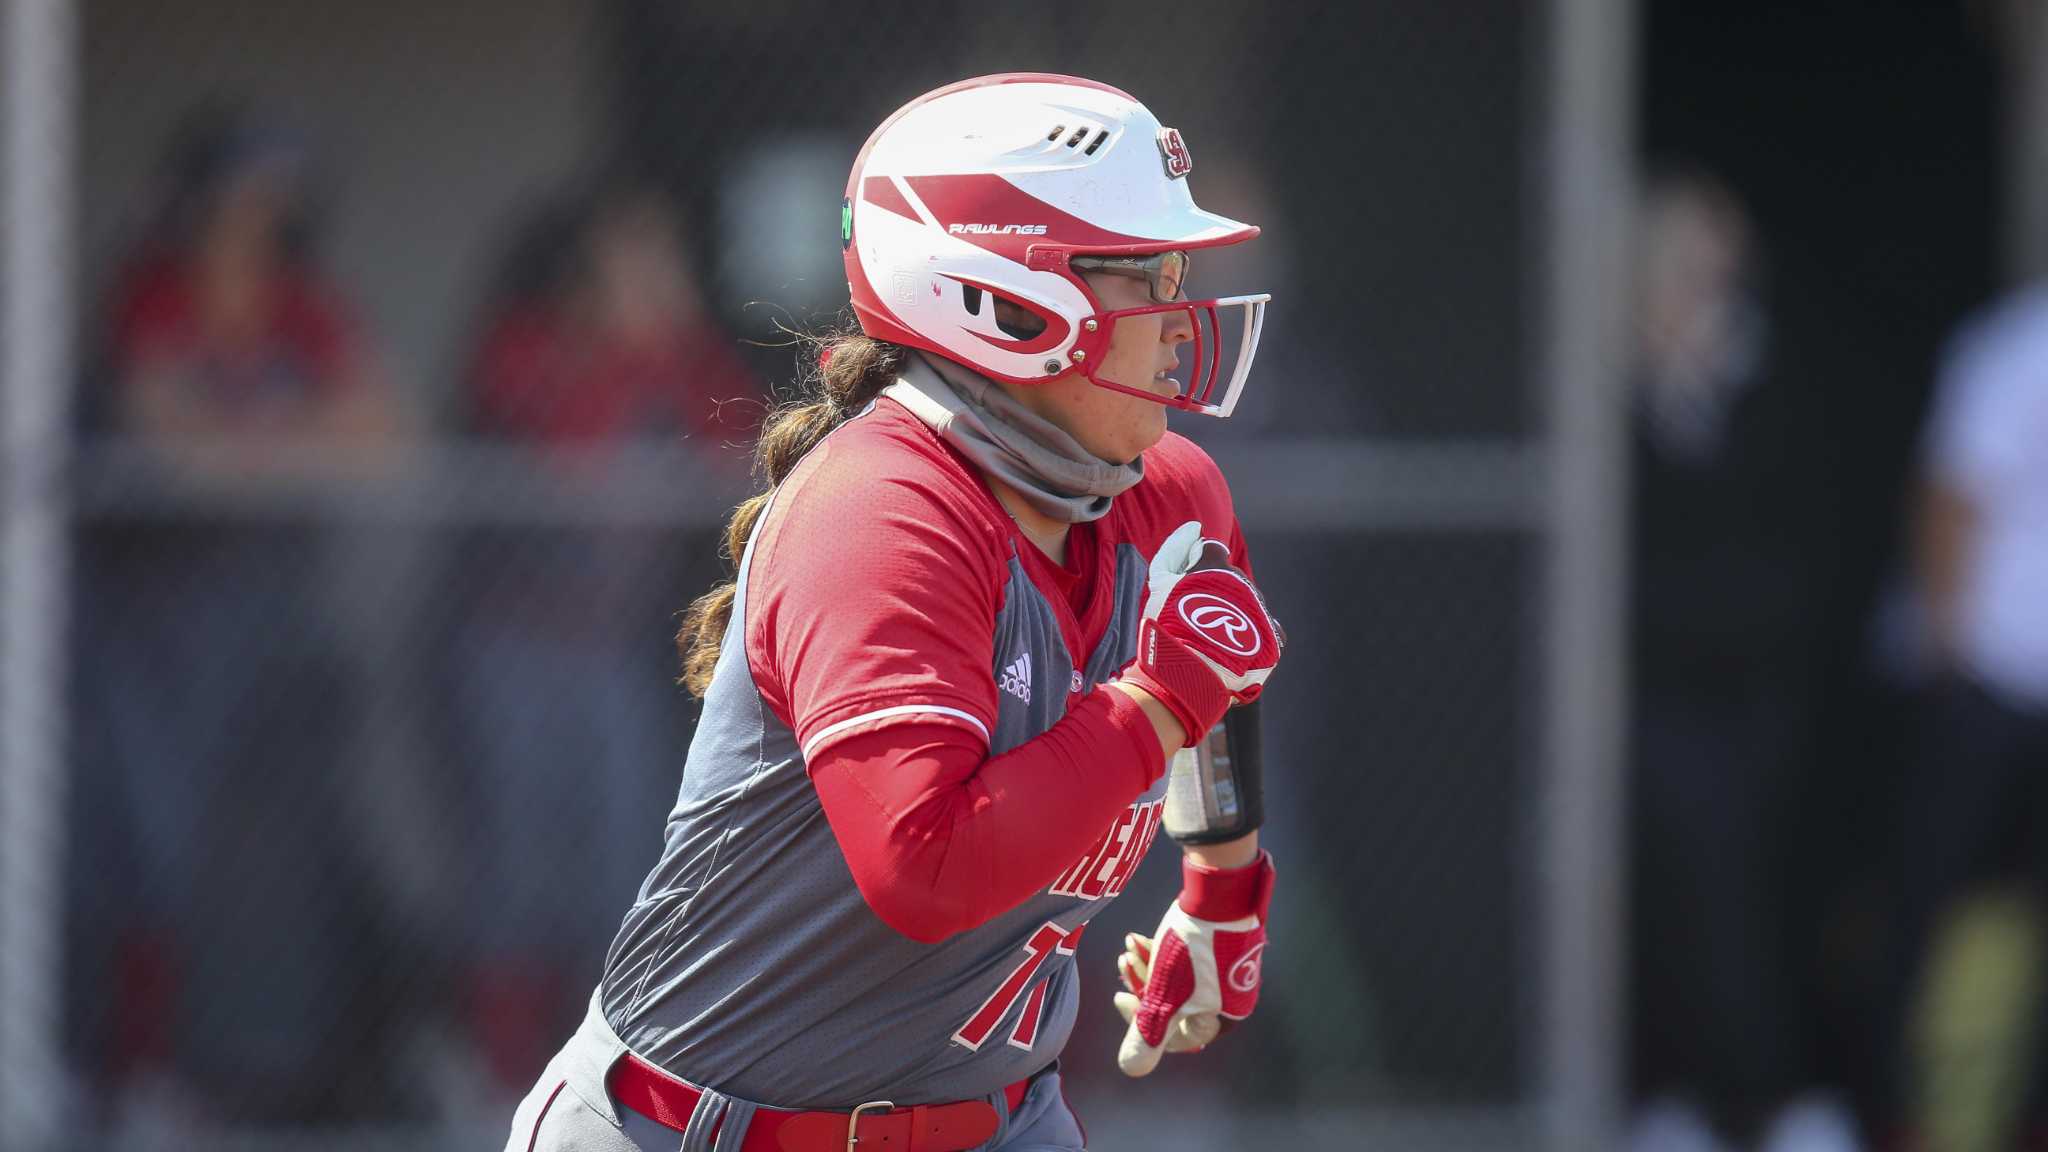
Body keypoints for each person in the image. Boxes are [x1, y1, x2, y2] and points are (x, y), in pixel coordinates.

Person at [505, 73, 1283, 1152]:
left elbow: (1218, 673)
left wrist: (1222, 893)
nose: (1176, 314)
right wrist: (1155, 703)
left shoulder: (1172, 493)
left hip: (1000, 1119)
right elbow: (926, 867)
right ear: (1003, 302)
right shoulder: (880, 507)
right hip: (704, 1130)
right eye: (1142, 272)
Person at [74, 100, 399, 1127]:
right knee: (149, 850)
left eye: (277, 199)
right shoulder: (155, 294)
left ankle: (264, 1083)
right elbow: (167, 449)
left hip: (278, 623)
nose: (262, 216)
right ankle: (134, 1081)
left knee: (277, 865)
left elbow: (378, 436)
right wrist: (290, 438)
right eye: (243, 196)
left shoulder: (300, 303)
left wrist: (239, 443)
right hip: (158, 624)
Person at [454, 184, 759, 1095]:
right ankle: (497, 1078)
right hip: (509, 648)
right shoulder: (530, 346)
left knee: (620, 862)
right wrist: (631, 357)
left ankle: (583, 1068)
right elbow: (572, 466)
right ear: (584, 276)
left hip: (611, 652)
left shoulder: (677, 359)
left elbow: (752, 447)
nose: (660, 281)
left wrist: (667, 348)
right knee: (516, 869)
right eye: (636, 262)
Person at [1882, 282, 2048, 1150]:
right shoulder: (2019, 347)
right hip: (1991, 680)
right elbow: (1951, 495)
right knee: (1934, 907)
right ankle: (1903, 1112)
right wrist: (1946, 658)